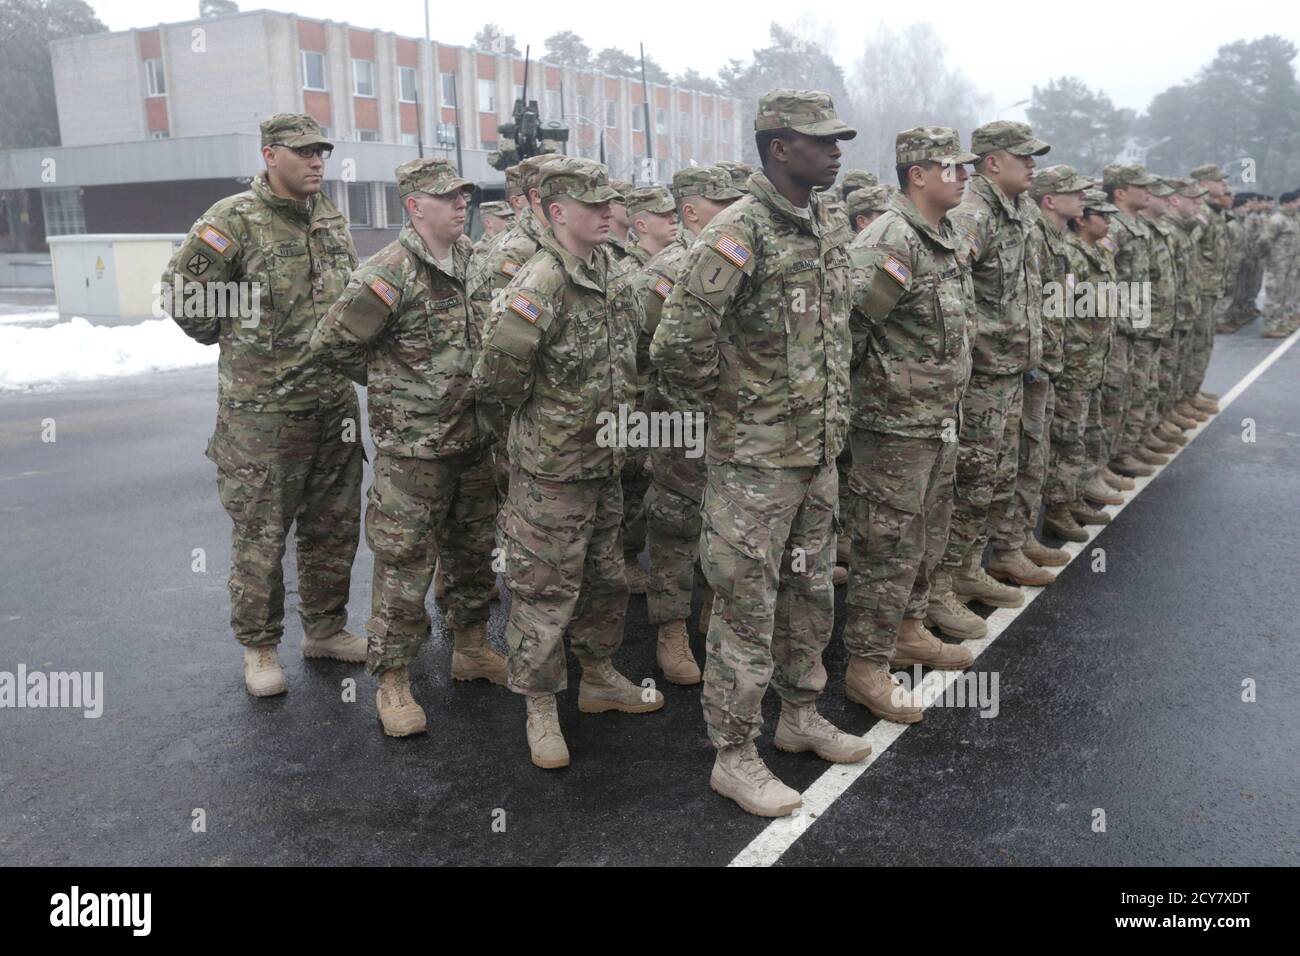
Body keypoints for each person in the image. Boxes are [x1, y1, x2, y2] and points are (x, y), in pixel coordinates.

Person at [653, 90, 870, 818]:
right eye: (820, 140)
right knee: (746, 607)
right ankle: (734, 754)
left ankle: (800, 715)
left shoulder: (824, 222)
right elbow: (677, 346)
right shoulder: (738, 232)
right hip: (755, 465)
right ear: (780, 147)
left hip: (816, 456)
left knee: (809, 593)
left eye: (838, 139)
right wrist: (738, 411)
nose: (836, 149)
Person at [160, 113, 365, 697]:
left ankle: (326, 630)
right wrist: (239, 338)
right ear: (270, 155)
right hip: (262, 417)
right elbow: (185, 300)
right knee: (262, 537)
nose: (317, 161)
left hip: (333, 406)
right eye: (303, 152)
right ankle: (260, 649)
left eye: (322, 151)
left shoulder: (328, 217)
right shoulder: (231, 221)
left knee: (333, 530)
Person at [475, 157, 665, 771]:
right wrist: (551, 425)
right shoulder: (539, 283)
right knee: (543, 590)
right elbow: (498, 378)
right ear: (558, 213)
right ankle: (539, 705)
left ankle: (600, 675)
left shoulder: (614, 271)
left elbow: (637, 353)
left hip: (606, 461)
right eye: (594, 206)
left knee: (606, 578)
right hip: (553, 470)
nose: (611, 214)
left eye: (612, 203)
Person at [310, 158, 506, 737]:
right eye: (448, 198)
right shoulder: (388, 273)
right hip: (415, 453)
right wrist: (396, 387)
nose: (461, 205)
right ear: (415, 207)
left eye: (464, 196)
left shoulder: (474, 262)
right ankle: (393, 679)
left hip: (474, 441)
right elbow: (334, 345)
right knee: (403, 564)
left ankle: (470, 646)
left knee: (473, 553)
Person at [842, 126, 978, 717]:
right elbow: (848, 330)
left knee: (926, 531)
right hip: (892, 427)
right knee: (886, 545)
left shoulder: (942, 234)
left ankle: (910, 626)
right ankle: (867, 665)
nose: (964, 176)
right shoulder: (891, 239)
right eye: (952, 167)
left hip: (936, 418)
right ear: (917, 174)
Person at [637, 166, 743, 685]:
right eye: (721, 202)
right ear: (691, 211)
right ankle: (670, 629)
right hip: (680, 420)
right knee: (676, 526)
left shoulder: (742, 257)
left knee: (725, 524)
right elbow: (647, 351)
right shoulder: (668, 269)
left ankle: (709, 610)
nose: (734, 209)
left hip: (735, 421)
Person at [941, 121, 1050, 614]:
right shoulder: (971, 215)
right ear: (992, 162)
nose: (1032, 165)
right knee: (970, 481)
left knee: (1000, 476)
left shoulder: (1021, 210)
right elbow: (950, 293)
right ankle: (946, 583)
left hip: (1012, 371)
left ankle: (978, 564)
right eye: (1023, 156)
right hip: (980, 377)